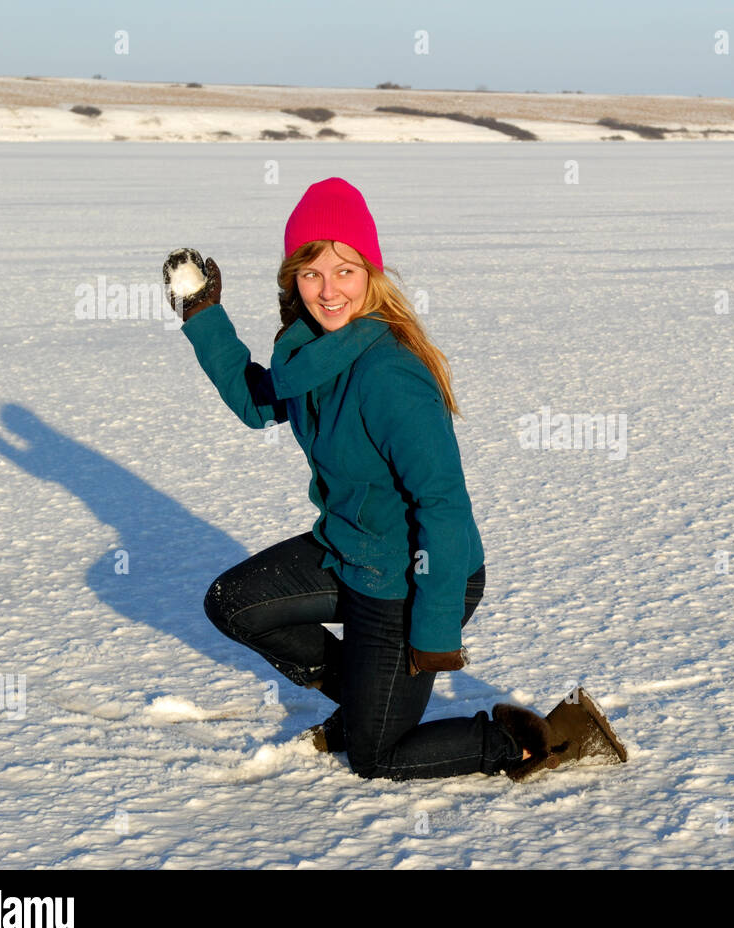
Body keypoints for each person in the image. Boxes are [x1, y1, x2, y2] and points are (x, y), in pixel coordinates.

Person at [169, 176, 626, 782]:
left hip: (414, 580)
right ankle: (367, 704)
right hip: (351, 552)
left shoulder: (389, 375)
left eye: (345, 271)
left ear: (371, 275)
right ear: (292, 280)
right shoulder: (310, 354)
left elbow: (442, 506)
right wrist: (204, 316)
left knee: (378, 758)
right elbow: (259, 404)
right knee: (236, 604)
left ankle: (541, 740)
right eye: (311, 273)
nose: (328, 291)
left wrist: (434, 629)